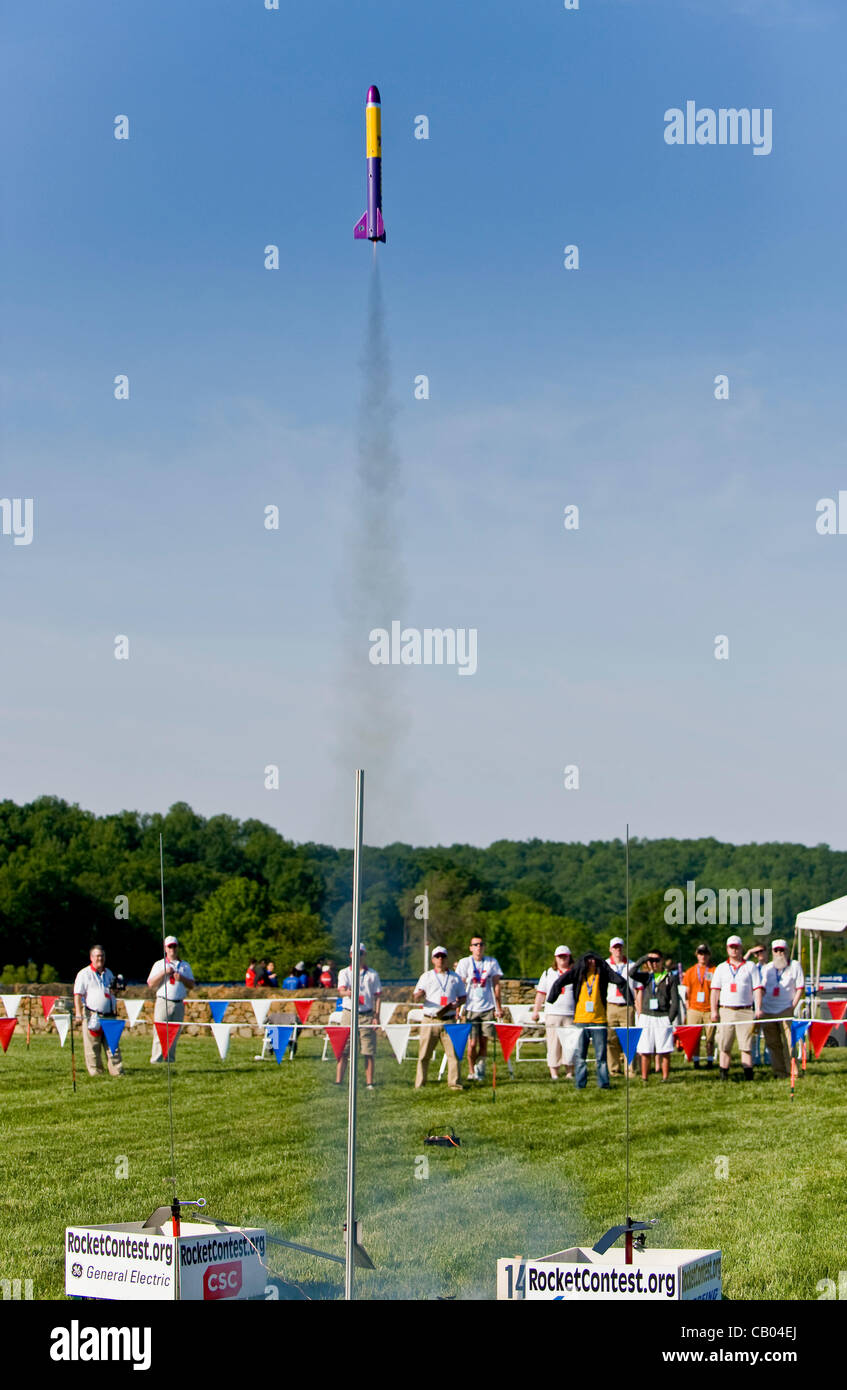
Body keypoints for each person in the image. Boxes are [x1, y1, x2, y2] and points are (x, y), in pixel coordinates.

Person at [547, 951, 633, 1090]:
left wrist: (629, 1000)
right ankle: (580, 1085)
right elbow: (560, 981)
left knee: (601, 1056)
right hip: (580, 1020)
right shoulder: (578, 973)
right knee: (580, 1056)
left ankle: (604, 1084)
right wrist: (551, 998)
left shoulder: (603, 973)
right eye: (588, 960)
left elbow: (620, 981)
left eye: (594, 960)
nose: (591, 963)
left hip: (599, 1020)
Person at [709, 934, 764, 1080]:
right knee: (724, 1045)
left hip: (745, 1010)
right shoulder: (721, 968)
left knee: (746, 1046)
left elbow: (757, 988)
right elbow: (715, 990)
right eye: (731, 947)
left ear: (741, 948)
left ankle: (748, 1075)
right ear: (727, 949)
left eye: (737, 947)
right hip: (726, 1010)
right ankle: (723, 1075)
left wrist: (758, 1008)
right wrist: (714, 1011)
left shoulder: (750, 966)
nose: (734, 950)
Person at [413, 947, 467, 1091]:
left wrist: (457, 1003)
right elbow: (416, 995)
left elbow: (463, 997)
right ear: (432, 960)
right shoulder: (426, 976)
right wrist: (420, 994)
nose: (440, 959)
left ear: (446, 959)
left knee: (453, 1054)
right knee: (424, 1054)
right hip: (429, 1019)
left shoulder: (455, 978)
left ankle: (454, 1083)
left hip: (448, 1019)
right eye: (437, 957)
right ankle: (420, 1083)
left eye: (443, 956)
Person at [455, 935, 503, 1081]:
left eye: (481, 944)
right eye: (475, 945)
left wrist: (498, 1008)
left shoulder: (491, 962)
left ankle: (480, 1069)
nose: (478, 947)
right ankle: (471, 1071)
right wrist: (458, 1008)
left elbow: (496, 985)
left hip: (487, 1007)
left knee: (484, 1040)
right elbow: (459, 986)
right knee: (472, 1042)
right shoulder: (465, 963)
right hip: (471, 1008)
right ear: (471, 948)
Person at [630, 951, 681, 1081]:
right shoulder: (647, 977)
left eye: (656, 960)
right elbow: (631, 973)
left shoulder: (670, 977)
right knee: (645, 1049)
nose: (654, 963)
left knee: (664, 1050)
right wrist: (644, 958)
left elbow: (675, 1001)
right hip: (647, 1016)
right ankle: (644, 1077)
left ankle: (665, 1077)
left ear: (662, 961)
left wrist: (670, 1018)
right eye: (651, 961)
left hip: (662, 1016)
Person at [73, 944, 124, 1077]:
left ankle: (117, 1071)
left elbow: (112, 993)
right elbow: (77, 994)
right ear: (91, 957)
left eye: (102, 956)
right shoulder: (84, 974)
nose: (99, 958)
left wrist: (116, 991)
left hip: (109, 1015)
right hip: (92, 1015)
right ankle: (96, 1072)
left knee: (113, 1046)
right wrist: (78, 1013)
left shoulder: (109, 973)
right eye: (97, 956)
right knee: (92, 1047)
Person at [336, 944, 382, 1090]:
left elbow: (378, 996)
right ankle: (339, 1081)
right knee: (344, 1049)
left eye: (361, 953)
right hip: (349, 1013)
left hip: (367, 1014)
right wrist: (349, 993)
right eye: (355, 953)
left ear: (364, 955)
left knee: (368, 1050)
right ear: (350, 955)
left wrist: (377, 1015)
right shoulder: (344, 972)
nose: (358, 956)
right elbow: (341, 991)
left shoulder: (372, 974)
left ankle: (369, 1083)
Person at [757, 940, 804, 1080]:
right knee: (773, 1043)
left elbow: (800, 987)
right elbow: (761, 989)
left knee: (789, 1043)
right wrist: (759, 1008)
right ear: (772, 952)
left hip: (785, 1009)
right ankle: (779, 1072)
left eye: (782, 950)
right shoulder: (767, 968)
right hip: (768, 1010)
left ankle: (793, 1071)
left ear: (787, 951)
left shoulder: (794, 965)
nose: (779, 953)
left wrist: (792, 1006)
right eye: (776, 950)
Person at [147, 935, 195, 1064]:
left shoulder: (185, 965)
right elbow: (151, 983)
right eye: (170, 947)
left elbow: (192, 984)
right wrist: (164, 973)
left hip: (179, 1002)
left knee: (174, 1033)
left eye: (174, 946)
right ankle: (156, 1059)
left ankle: (170, 1059)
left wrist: (182, 978)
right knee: (160, 1032)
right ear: (165, 949)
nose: (172, 949)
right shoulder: (159, 964)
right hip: (164, 1001)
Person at [532, 946, 576, 1080]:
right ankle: (554, 1072)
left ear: (569, 957)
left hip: (570, 1013)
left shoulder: (575, 972)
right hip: (553, 1013)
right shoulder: (548, 973)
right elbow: (541, 994)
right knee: (553, 1044)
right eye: (560, 957)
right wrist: (536, 1011)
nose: (563, 959)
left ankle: (569, 1071)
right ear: (555, 958)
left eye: (565, 956)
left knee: (570, 1044)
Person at [681, 945, 716, 1068]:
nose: (703, 956)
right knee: (694, 1037)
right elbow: (687, 991)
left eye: (705, 953)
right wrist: (688, 1007)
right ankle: (695, 1061)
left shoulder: (713, 970)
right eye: (701, 953)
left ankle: (710, 1060)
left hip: (709, 1009)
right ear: (697, 955)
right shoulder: (690, 971)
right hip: (694, 1009)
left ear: (709, 955)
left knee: (710, 1038)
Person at [605, 937, 636, 1077]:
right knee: (611, 1039)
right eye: (615, 947)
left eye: (620, 947)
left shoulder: (631, 965)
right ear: (610, 949)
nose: (618, 950)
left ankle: (630, 1069)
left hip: (627, 1006)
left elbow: (637, 988)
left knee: (629, 1039)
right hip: (611, 1005)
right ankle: (614, 1069)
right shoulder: (605, 965)